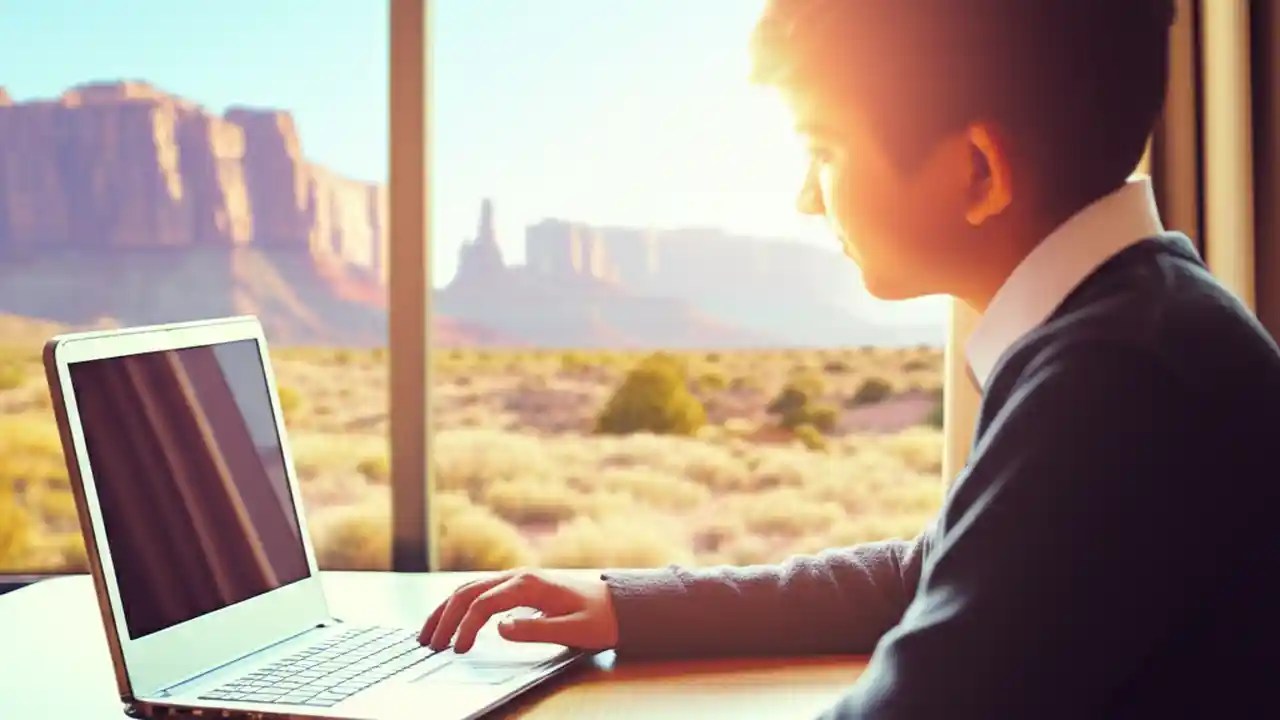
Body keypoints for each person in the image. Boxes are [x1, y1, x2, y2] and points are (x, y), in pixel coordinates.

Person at [420, 1, 1280, 716]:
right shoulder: (1138, 325)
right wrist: (621, 605)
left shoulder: (1118, 385)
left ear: (979, 172)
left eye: (824, 149)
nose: (803, 195)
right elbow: (922, 571)